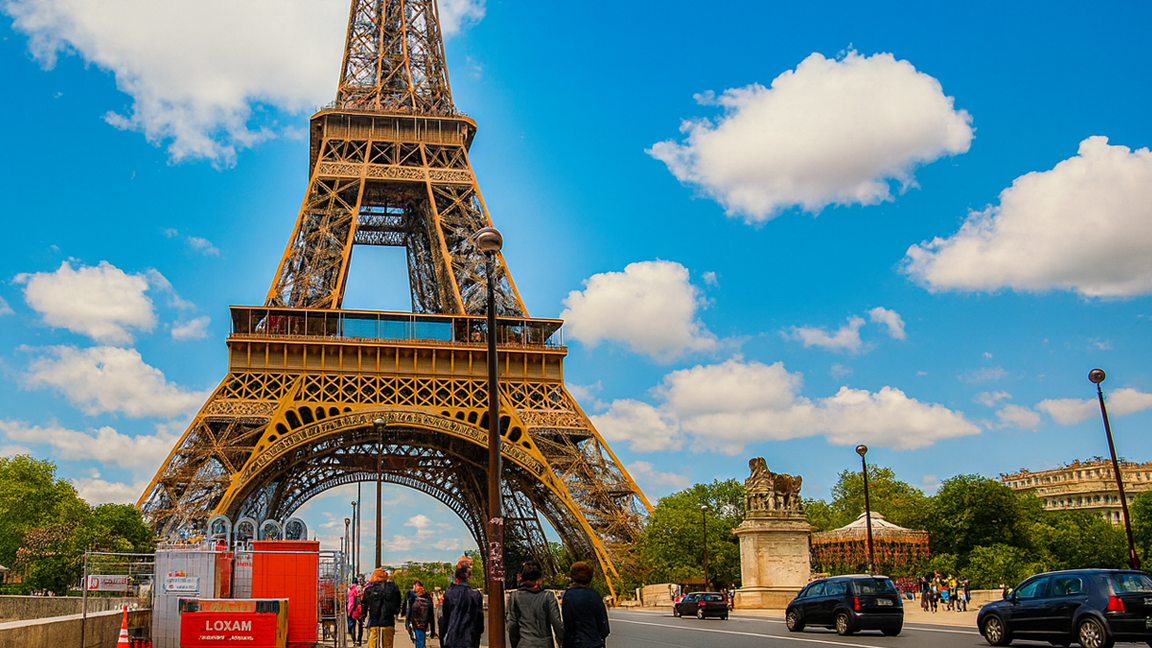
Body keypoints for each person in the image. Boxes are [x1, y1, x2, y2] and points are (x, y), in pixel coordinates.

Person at [507, 560, 563, 648]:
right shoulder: (548, 596)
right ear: (539, 578)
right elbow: (557, 623)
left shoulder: (515, 597)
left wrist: (515, 644)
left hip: (524, 643)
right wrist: (561, 641)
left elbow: (512, 625)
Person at [561, 562, 609, 648]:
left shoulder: (568, 595)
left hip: (576, 643)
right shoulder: (594, 595)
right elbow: (602, 622)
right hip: (594, 643)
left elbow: (568, 624)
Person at [441, 563, 484, 648]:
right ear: (468, 578)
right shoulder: (475, 595)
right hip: (469, 638)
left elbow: (445, 617)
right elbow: (479, 620)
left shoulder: (449, 593)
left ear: (456, 578)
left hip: (452, 637)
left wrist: (442, 636)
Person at [362, 568, 402, 648]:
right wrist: (395, 612)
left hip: (374, 619)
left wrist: (364, 615)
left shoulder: (369, 590)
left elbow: (364, 604)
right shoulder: (393, 588)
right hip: (388, 619)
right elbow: (398, 601)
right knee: (388, 644)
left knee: (373, 642)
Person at [406, 581, 437, 648]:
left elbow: (411, 612)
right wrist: (432, 629)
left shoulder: (415, 601)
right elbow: (431, 616)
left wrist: (408, 622)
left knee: (418, 641)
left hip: (416, 624)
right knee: (421, 640)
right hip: (424, 624)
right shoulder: (428, 600)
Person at [347, 580, 365, 645]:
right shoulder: (362, 591)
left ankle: (354, 640)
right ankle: (359, 640)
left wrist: (349, 612)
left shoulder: (352, 592)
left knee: (353, 626)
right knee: (360, 626)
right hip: (361, 611)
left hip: (354, 611)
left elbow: (351, 604)